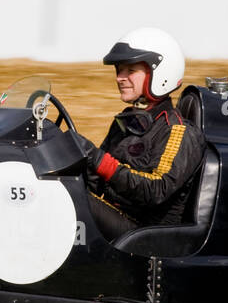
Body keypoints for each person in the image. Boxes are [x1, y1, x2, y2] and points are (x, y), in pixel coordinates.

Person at [73, 28, 206, 239]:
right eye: (119, 70)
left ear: (160, 73)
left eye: (130, 70)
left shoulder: (179, 131)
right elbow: (95, 182)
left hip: (145, 235)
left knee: (70, 201)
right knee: (61, 190)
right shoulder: (126, 123)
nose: (120, 78)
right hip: (119, 223)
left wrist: (98, 160)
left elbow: (157, 189)